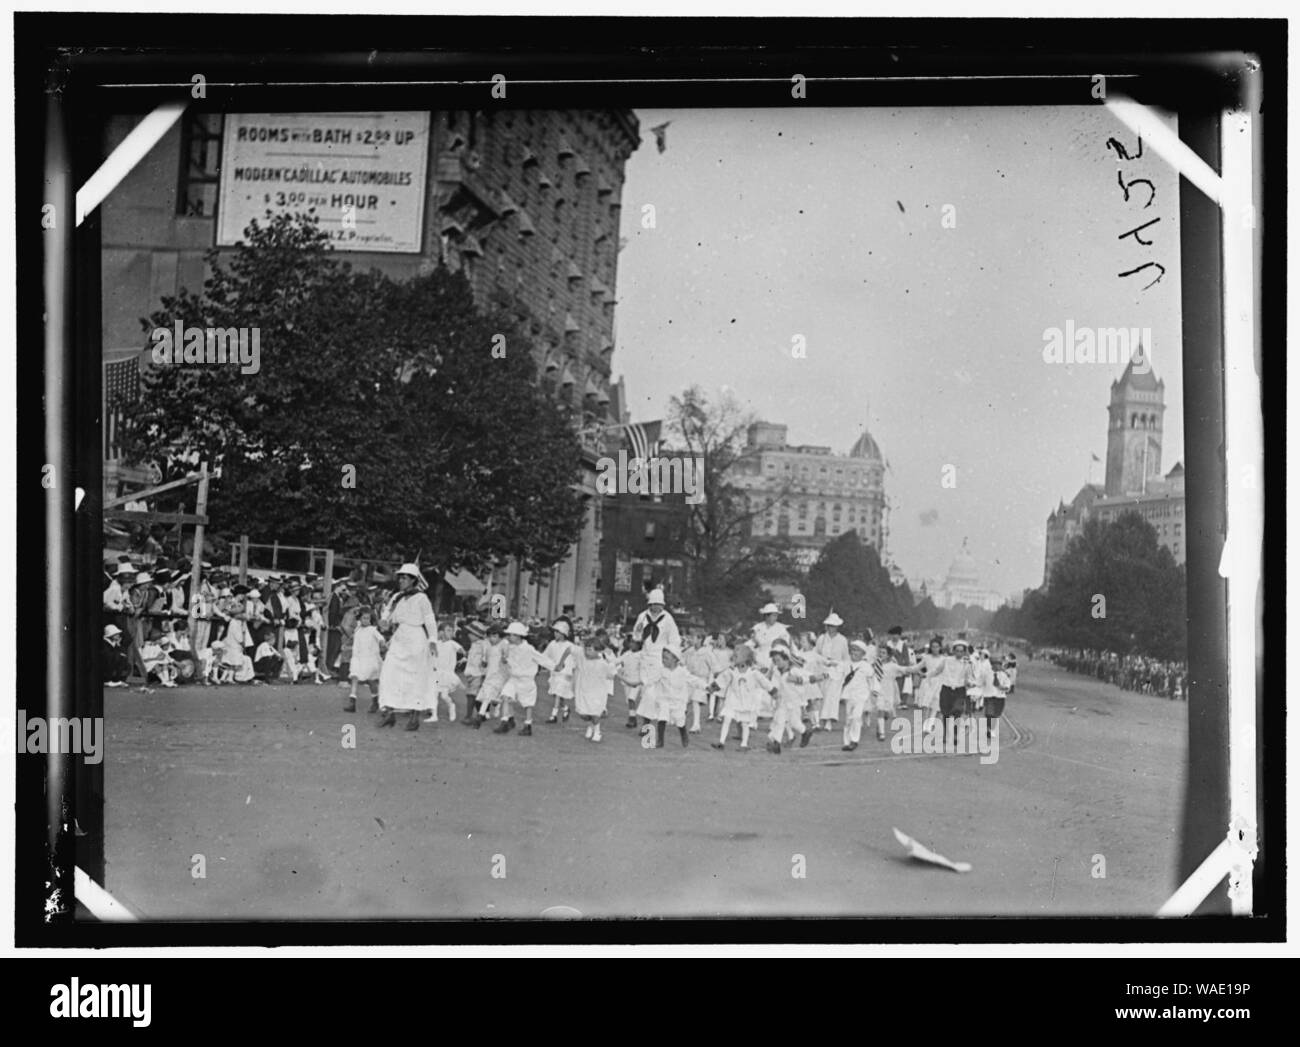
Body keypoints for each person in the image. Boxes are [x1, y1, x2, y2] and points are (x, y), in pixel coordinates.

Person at [376, 564, 439, 731]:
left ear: (413, 580)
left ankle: (414, 717)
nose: (401, 580)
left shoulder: (422, 598)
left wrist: (433, 639)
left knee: (415, 678)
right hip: (399, 639)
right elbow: (387, 617)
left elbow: (430, 620)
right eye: (400, 577)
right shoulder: (397, 597)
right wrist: (384, 622)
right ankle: (389, 712)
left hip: (416, 639)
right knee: (389, 673)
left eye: (405, 578)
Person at [630, 589, 681, 743]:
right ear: (650, 604)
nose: (657, 608)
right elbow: (636, 636)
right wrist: (637, 633)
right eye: (654, 604)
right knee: (646, 692)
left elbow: (674, 640)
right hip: (646, 657)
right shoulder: (642, 616)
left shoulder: (667, 619)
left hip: (660, 659)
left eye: (660, 605)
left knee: (653, 693)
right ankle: (647, 725)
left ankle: (650, 725)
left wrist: (671, 657)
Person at [492, 620, 556, 736]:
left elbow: (541, 659)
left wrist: (555, 667)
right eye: (509, 634)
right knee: (506, 696)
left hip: (526, 680)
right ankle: (505, 721)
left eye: (511, 635)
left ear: (518, 636)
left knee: (527, 704)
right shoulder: (509, 648)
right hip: (514, 678)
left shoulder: (528, 649)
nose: (509, 637)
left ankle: (528, 725)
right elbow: (506, 660)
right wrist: (504, 660)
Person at [765, 642, 826, 754]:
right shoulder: (780, 672)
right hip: (784, 701)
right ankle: (778, 744)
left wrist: (798, 680)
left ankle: (803, 733)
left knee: (792, 722)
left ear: (786, 659)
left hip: (794, 702)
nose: (776, 663)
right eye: (775, 661)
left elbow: (809, 678)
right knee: (782, 721)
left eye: (778, 660)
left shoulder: (794, 671)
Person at [710, 644, 773, 753]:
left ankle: (744, 744)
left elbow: (764, 681)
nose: (733, 658)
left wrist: (773, 690)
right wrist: (713, 687)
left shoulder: (753, 672)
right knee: (727, 719)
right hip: (733, 699)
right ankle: (721, 742)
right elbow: (723, 679)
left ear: (744, 657)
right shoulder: (732, 670)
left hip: (746, 701)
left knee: (744, 723)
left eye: (736, 656)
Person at [871, 644, 925, 741]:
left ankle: (880, 725)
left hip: (890, 691)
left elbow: (907, 669)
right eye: (880, 652)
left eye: (884, 653)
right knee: (880, 709)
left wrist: (920, 666)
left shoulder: (893, 666)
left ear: (888, 655)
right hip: (878, 690)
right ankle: (882, 733)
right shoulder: (876, 664)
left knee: (886, 713)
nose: (881, 654)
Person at [573, 633, 617, 742]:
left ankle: (597, 731)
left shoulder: (603, 662)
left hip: (598, 690)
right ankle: (590, 725)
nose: (587, 652)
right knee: (583, 713)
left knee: (595, 712)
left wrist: (610, 664)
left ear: (598, 650)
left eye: (590, 650)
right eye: (586, 649)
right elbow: (570, 650)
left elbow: (612, 673)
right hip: (583, 689)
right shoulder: (583, 659)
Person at [814, 612, 850, 730]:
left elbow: (846, 658)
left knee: (832, 696)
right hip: (823, 670)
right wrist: (824, 661)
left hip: (836, 671)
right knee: (823, 695)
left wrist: (840, 665)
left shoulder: (842, 640)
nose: (831, 628)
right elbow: (816, 654)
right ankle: (820, 719)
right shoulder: (822, 639)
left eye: (833, 626)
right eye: (829, 625)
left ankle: (829, 720)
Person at [345, 606, 384, 713]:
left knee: (371, 681)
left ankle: (375, 701)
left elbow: (381, 639)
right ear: (360, 619)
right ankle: (352, 702)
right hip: (358, 658)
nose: (366, 620)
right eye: (364, 618)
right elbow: (353, 639)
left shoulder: (373, 630)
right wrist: (347, 645)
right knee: (354, 676)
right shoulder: (357, 630)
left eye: (368, 618)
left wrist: (382, 644)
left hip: (369, 659)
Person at [839, 639, 875, 751]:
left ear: (863, 653)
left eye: (857, 651)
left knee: (856, 716)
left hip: (861, 696)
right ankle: (847, 741)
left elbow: (872, 680)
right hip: (849, 695)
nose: (854, 652)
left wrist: (873, 693)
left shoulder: (866, 666)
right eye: (852, 650)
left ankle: (854, 740)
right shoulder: (846, 664)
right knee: (848, 719)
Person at [542, 618, 579, 725]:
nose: (555, 634)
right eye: (555, 632)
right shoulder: (552, 644)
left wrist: (572, 672)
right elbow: (544, 656)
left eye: (557, 632)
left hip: (565, 674)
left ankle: (553, 715)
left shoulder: (570, 646)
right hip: (554, 673)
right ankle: (565, 708)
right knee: (556, 694)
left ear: (563, 633)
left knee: (558, 693)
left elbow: (576, 659)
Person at [428, 622, 464, 723]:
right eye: (448, 630)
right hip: (436, 673)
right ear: (441, 632)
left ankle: (451, 706)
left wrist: (462, 654)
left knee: (444, 696)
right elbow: (431, 654)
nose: (451, 632)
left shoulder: (452, 643)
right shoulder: (437, 644)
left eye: (452, 630)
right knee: (433, 694)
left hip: (447, 674)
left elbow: (461, 650)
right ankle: (434, 715)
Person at [915, 636, 947, 735]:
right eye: (933, 647)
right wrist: (919, 672)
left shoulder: (944, 659)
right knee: (926, 704)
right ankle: (925, 726)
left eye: (937, 647)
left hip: (940, 683)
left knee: (936, 706)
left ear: (940, 647)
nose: (935, 649)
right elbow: (917, 667)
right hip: (928, 682)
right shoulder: (927, 658)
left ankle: (930, 725)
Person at [616, 636, 643, 729]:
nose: (632, 644)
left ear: (639, 644)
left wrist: (641, 680)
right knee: (628, 700)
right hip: (626, 680)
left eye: (634, 642)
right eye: (631, 642)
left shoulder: (642, 655)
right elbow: (617, 661)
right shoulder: (627, 653)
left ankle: (632, 718)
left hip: (637, 681)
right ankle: (633, 718)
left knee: (632, 698)